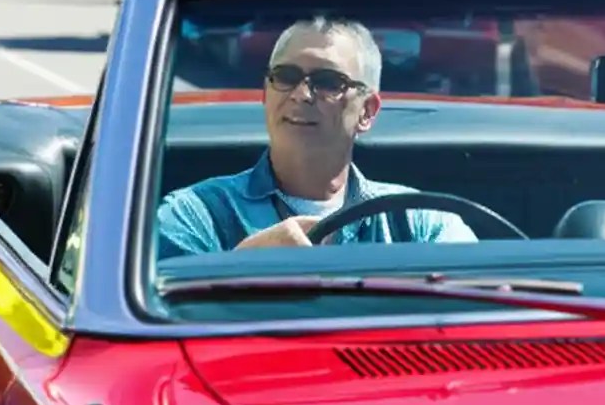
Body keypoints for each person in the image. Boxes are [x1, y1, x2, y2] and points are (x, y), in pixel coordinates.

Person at [156, 18, 477, 258]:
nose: (300, 94)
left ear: (367, 111)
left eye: (327, 81)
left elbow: (476, 314)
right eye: (285, 76)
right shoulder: (192, 215)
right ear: (265, 94)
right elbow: (160, 334)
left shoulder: (419, 222)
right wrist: (241, 268)